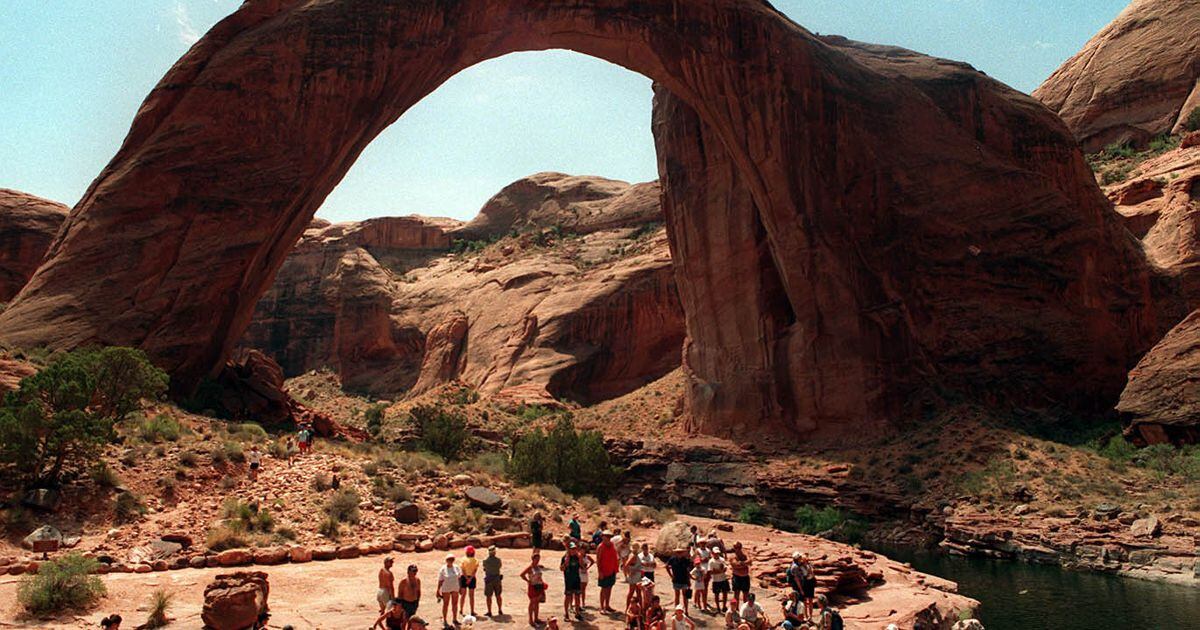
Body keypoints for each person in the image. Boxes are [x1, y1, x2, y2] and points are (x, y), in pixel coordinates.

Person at [520, 551, 547, 626]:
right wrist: (528, 581)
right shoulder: (530, 567)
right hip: (532, 586)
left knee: (537, 602)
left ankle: (536, 618)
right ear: (533, 559)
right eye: (536, 559)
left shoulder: (538, 567)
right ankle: (531, 620)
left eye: (538, 558)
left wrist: (543, 583)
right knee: (532, 602)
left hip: (539, 586)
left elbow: (540, 576)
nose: (538, 560)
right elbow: (522, 574)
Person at [596, 530, 620, 613]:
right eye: (605, 536)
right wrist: (600, 572)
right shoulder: (600, 547)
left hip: (612, 570)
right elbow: (598, 560)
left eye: (609, 536)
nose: (607, 538)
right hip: (604, 571)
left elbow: (615, 557)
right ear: (602, 537)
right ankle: (602, 607)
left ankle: (607, 605)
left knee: (609, 588)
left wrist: (616, 568)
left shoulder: (612, 545)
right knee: (604, 588)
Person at [437, 553, 462, 627]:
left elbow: (459, 578)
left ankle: (455, 619)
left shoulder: (456, 567)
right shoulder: (443, 569)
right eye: (449, 559)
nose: (450, 561)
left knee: (455, 604)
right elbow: (440, 580)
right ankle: (445, 619)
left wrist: (460, 587)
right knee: (446, 604)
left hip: (455, 587)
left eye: (452, 559)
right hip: (446, 588)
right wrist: (438, 590)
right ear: (446, 560)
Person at [665, 547, 692, 615]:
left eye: (680, 552)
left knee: (684, 596)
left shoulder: (686, 560)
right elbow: (667, 566)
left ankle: (686, 611)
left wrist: (689, 580)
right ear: (676, 553)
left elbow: (688, 571)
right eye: (678, 552)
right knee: (677, 596)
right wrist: (671, 575)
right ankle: (677, 611)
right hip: (676, 580)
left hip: (684, 580)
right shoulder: (673, 559)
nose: (679, 554)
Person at [561, 543, 584, 620]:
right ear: (569, 549)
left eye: (575, 549)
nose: (573, 550)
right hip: (568, 580)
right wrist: (566, 562)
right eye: (572, 549)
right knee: (568, 596)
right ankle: (566, 614)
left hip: (576, 579)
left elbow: (583, 567)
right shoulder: (565, 557)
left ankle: (577, 613)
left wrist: (580, 559)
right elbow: (561, 568)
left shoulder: (578, 557)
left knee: (577, 597)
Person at [481, 545, 503, 617]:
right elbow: (499, 566)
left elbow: (485, 568)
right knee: (498, 595)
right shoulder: (498, 560)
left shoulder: (485, 561)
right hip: (497, 578)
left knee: (488, 596)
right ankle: (500, 609)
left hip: (489, 579)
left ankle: (489, 611)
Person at [459, 546, 480, 617]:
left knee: (463, 595)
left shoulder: (463, 559)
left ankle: (461, 610)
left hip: (464, 578)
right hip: (472, 578)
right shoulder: (476, 560)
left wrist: (466, 578)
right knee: (471, 596)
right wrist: (470, 579)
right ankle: (472, 611)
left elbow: (463, 570)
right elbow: (475, 571)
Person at [623, 541, 644, 608]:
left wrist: (629, 572)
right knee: (634, 592)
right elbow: (626, 565)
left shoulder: (633, 555)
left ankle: (639, 608)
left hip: (636, 576)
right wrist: (631, 572)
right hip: (635, 576)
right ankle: (629, 607)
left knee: (636, 593)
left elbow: (626, 565)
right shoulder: (634, 556)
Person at [709, 548, 730, 613]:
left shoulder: (722, 559)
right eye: (715, 553)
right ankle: (718, 607)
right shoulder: (711, 561)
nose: (716, 554)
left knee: (725, 593)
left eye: (717, 553)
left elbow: (725, 568)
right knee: (716, 594)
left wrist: (717, 571)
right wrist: (720, 571)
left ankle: (724, 606)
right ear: (713, 553)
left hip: (723, 579)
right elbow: (711, 572)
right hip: (716, 580)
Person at [796, 554, 816, 620]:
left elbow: (812, 574)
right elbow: (804, 575)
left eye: (806, 560)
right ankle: (806, 616)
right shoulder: (800, 567)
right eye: (804, 560)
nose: (805, 561)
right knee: (805, 601)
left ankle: (810, 616)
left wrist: (810, 570)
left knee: (810, 601)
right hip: (805, 584)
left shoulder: (809, 565)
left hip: (810, 584)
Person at [578, 545, 593, 609]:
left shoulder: (587, 556)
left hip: (585, 573)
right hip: (579, 573)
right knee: (578, 588)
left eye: (583, 549)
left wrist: (587, 568)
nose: (582, 551)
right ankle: (577, 602)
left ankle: (583, 602)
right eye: (581, 549)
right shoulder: (578, 556)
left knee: (583, 589)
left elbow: (593, 561)